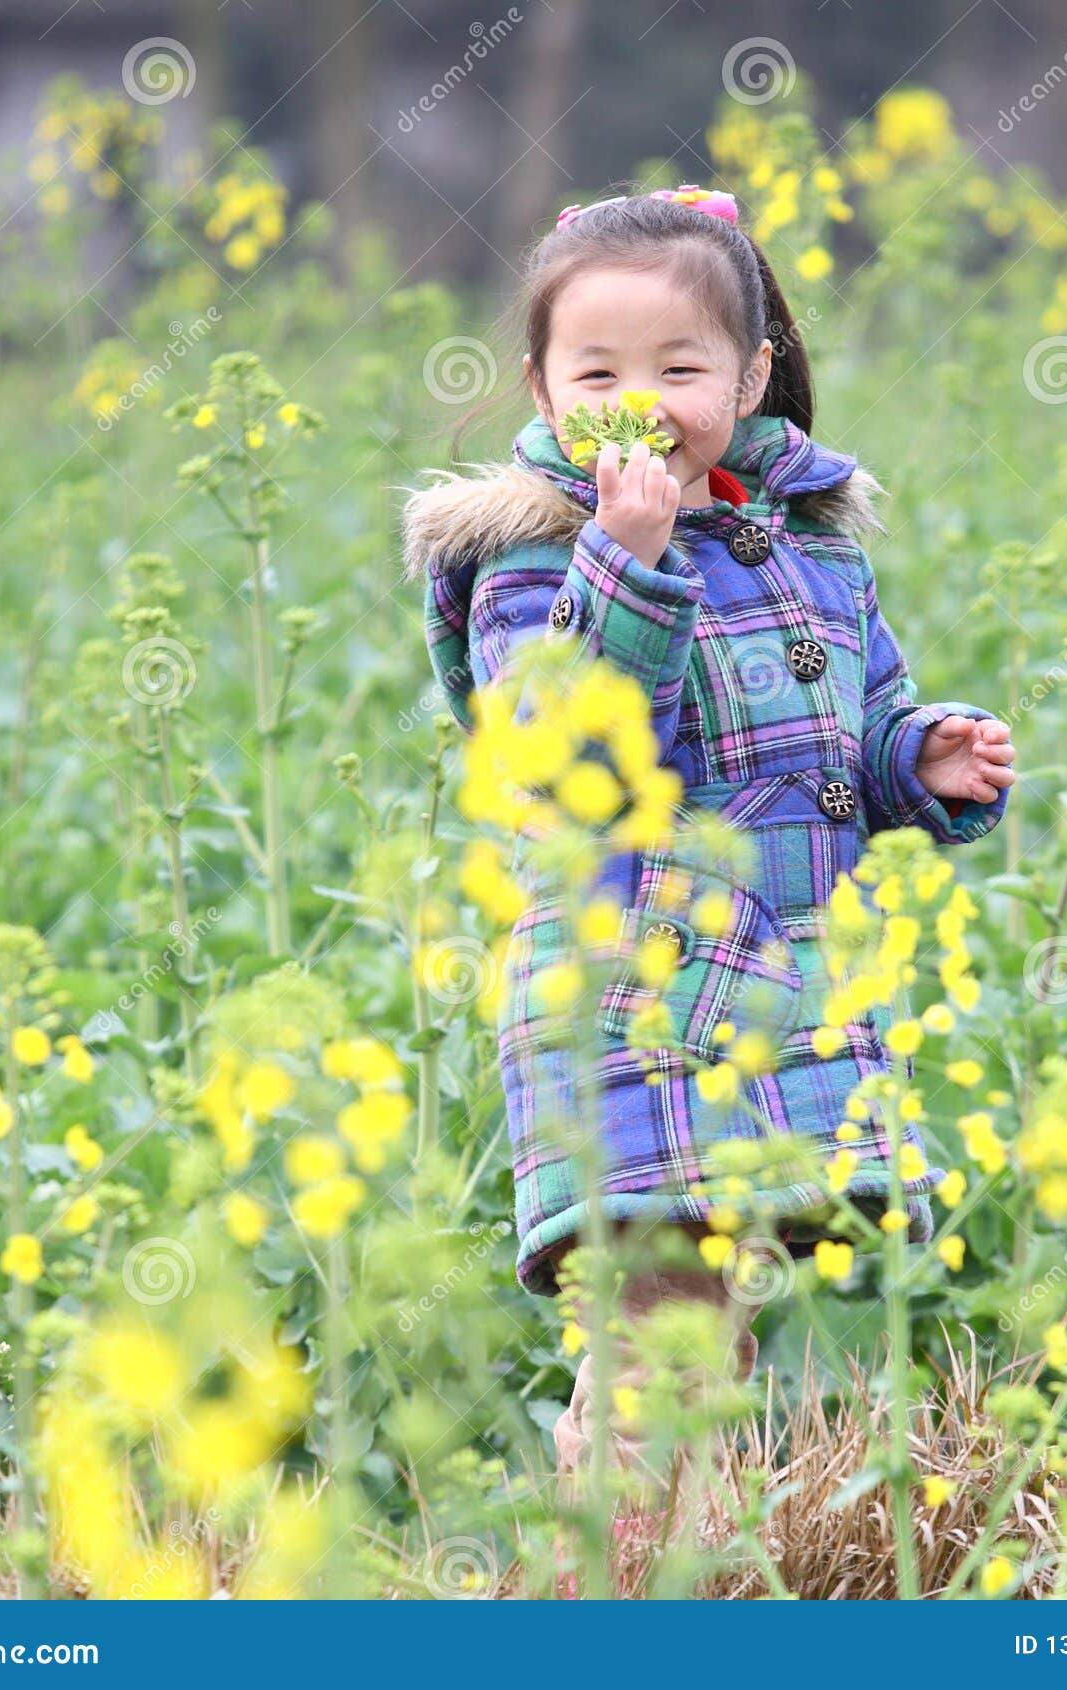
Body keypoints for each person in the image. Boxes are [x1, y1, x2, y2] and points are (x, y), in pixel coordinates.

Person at [399, 183, 1015, 1490]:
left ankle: (667, 1578)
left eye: (678, 366)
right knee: (655, 1353)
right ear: (538, 383)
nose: (639, 399)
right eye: (597, 370)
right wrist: (624, 561)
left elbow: (851, 725)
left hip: (776, 992)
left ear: (751, 372)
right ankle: (612, 1592)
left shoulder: (805, 544)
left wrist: (919, 757)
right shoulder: (530, 558)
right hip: (631, 1001)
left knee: (704, 1343)